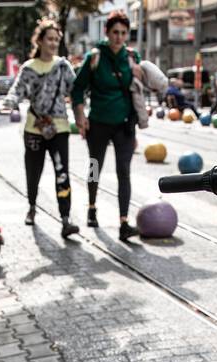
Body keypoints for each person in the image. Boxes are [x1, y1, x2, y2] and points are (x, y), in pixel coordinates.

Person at [71, 9, 142, 242]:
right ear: (107, 32)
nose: (119, 37)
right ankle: (91, 207)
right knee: (94, 166)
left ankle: (124, 222)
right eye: (115, 32)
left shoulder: (132, 57)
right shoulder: (95, 57)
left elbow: (140, 88)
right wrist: (81, 116)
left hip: (124, 126)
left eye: (123, 33)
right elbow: (77, 89)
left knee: (125, 172)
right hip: (98, 124)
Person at [5, 18, 80, 238]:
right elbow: (16, 90)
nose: (53, 43)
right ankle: (31, 207)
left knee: (62, 172)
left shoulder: (63, 66)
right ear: (39, 41)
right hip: (34, 129)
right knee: (33, 170)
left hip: (59, 129)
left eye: (56, 39)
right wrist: (9, 102)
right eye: (49, 39)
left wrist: (82, 115)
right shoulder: (29, 68)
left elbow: (75, 91)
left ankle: (66, 219)